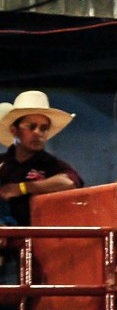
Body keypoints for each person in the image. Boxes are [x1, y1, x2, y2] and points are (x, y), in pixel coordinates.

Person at [0, 91, 84, 227]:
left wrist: (22, 188)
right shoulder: (1, 163)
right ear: (13, 130)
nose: (38, 133)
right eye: (31, 127)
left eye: (44, 128)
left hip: (38, 242)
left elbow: (69, 182)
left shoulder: (52, 165)